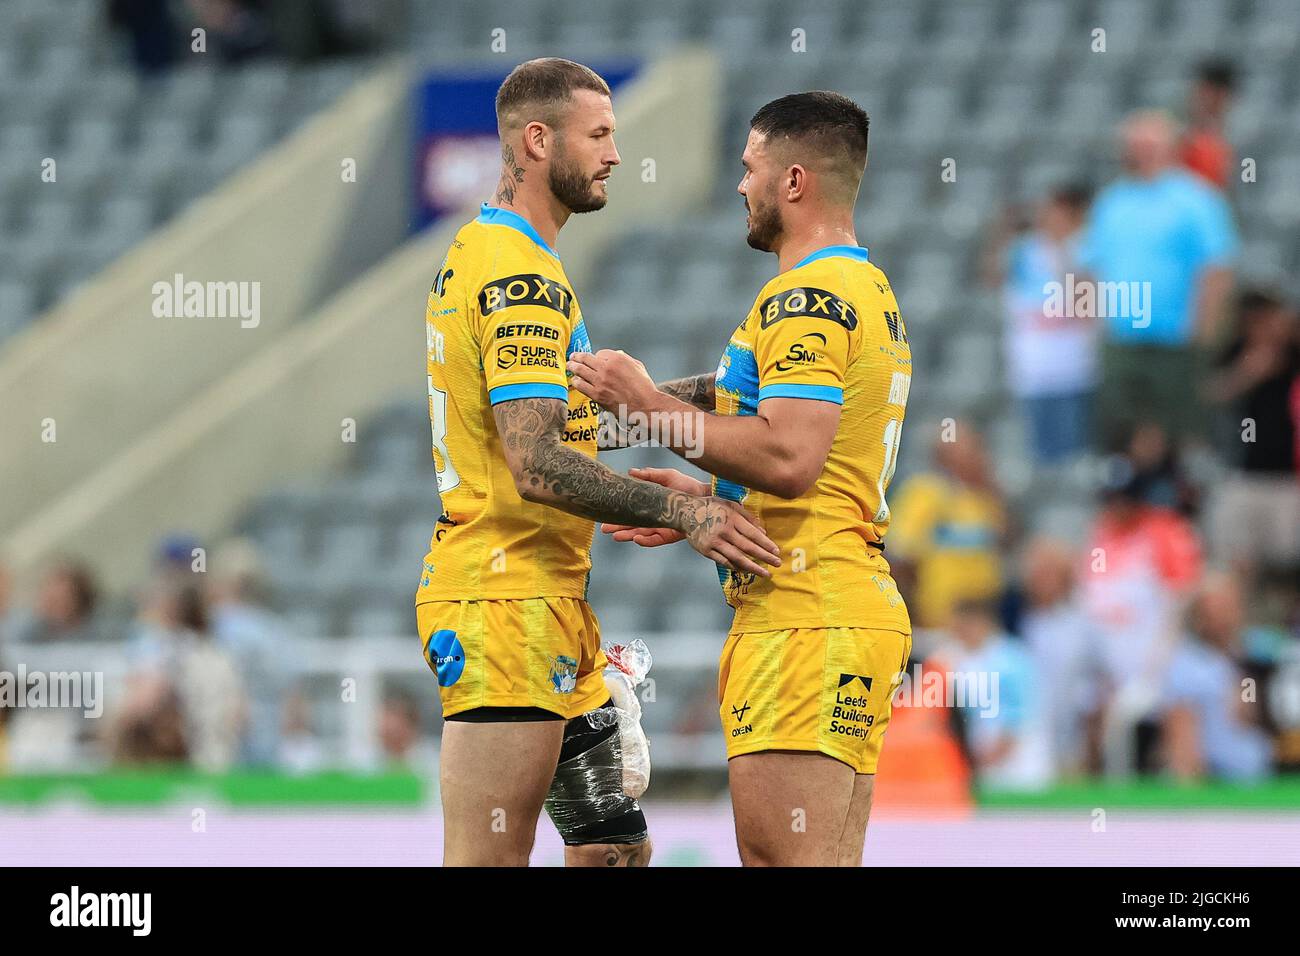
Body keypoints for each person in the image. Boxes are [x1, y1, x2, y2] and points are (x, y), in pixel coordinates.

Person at [418, 58, 779, 867]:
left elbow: (568, 425)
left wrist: (722, 394)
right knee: (487, 859)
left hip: (543, 600)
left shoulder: (497, 256)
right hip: (501, 601)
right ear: (538, 140)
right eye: (601, 134)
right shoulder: (520, 277)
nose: (617, 153)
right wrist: (690, 510)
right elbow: (538, 462)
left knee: (613, 850)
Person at [569, 92, 912, 865]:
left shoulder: (806, 297)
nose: (739, 186)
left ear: (794, 182)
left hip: (805, 617)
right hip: (837, 605)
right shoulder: (868, 291)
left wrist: (649, 405)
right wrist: (708, 498)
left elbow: (791, 458)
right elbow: (821, 458)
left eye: (749, 168)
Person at [1080, 110, 1238, 448]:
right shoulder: (1112, 202)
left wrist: (1204, 334)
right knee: (1122, 432)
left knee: (1180, 431)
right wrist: (1093, 326)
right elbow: (1091, 270)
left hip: (1177, 338)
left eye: (1149, 144)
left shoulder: (1198, 199)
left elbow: (1216, 271)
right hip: (1122, 337)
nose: (1140, 152)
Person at [995, 184, 1097, 465]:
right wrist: (1003, 231)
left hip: (1074, 371)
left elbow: (1086, 307)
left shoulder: (1085, 250)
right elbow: (993, 276)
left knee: (1075, 458)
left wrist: (1064, 253)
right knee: (1040, 459)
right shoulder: (1022, 251)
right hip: (1033, 371)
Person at [1205, 289, 1300, 570]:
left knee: (1285, 563)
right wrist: (1250, 372)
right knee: (1238, 559)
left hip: (1288, 477)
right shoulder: (1238, 350)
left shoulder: (1293, 350)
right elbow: (1213, 393)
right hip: (1243, 473)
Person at [886, 423, 1008, 630]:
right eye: (966, 450)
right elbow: (900, 554)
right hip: (938, 620)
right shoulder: (924, 491)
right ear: (943, 456)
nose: (976, 456)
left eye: (976, 448)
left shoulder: (984, 496)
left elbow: (1004, 543)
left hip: (984, 617)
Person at [1161, 573, 1272, 781]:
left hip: (1256, 785)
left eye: (1233, 607)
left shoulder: (1236, 660)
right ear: (1200, 617)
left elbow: (1246, 717)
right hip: (1221, 795)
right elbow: (1183, 750)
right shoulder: (1187, 667)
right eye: (1220, 609)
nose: (1230, 617)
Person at [1181, 59, 1237, 191]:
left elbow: (1249, 175)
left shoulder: (1239, 139)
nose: (1209, 99)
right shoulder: (1180, 135)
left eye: (1215, 93)